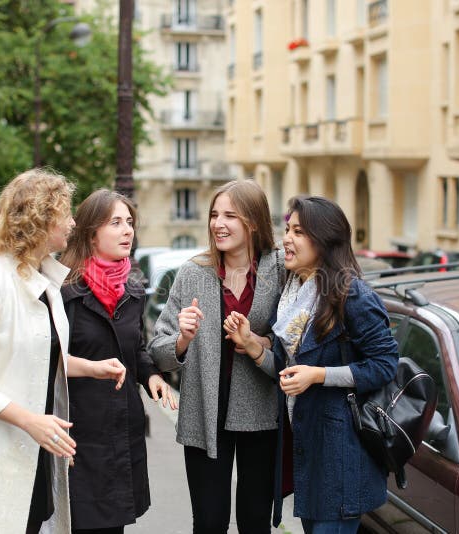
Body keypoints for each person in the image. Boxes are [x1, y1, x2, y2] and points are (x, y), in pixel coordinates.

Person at [0, 169, 127, 534]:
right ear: (41, 218)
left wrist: (94, 368)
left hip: (28, 458)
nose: (73, 222)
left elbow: (36, 356)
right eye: (65, 213)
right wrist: (31, 421)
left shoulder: (40, 279)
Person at [225, 196, 399, 533]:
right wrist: (251, 345)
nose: (286, 239)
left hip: (341, 453)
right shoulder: (293, 294)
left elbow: (384, 365)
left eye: (299, 232)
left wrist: (319, 375)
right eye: (288, 229)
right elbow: (287, 372)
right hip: (308, 450)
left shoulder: (353, 295)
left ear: (324, 240)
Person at [148, 179, 285, 534]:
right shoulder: (193, 272)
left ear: (253, 222)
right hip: (204, 413)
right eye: (213, 215)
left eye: (230, 216)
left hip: (261, 415)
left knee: (256, 522)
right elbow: (159, 351)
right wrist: (183, 338)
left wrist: (261, 342)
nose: (218, 223)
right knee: (209, 523)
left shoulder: (280, 270)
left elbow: (295, 338)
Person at [59, 189, 177, 533]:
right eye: (116, 223)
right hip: (77, 432)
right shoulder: (65, 292)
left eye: (130, 223)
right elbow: (46, 357)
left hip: (122, 430)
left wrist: (151, 375)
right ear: (92, 232)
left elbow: (135, 348)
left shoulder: (133, 291)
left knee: (113, 527)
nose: (128, 231)